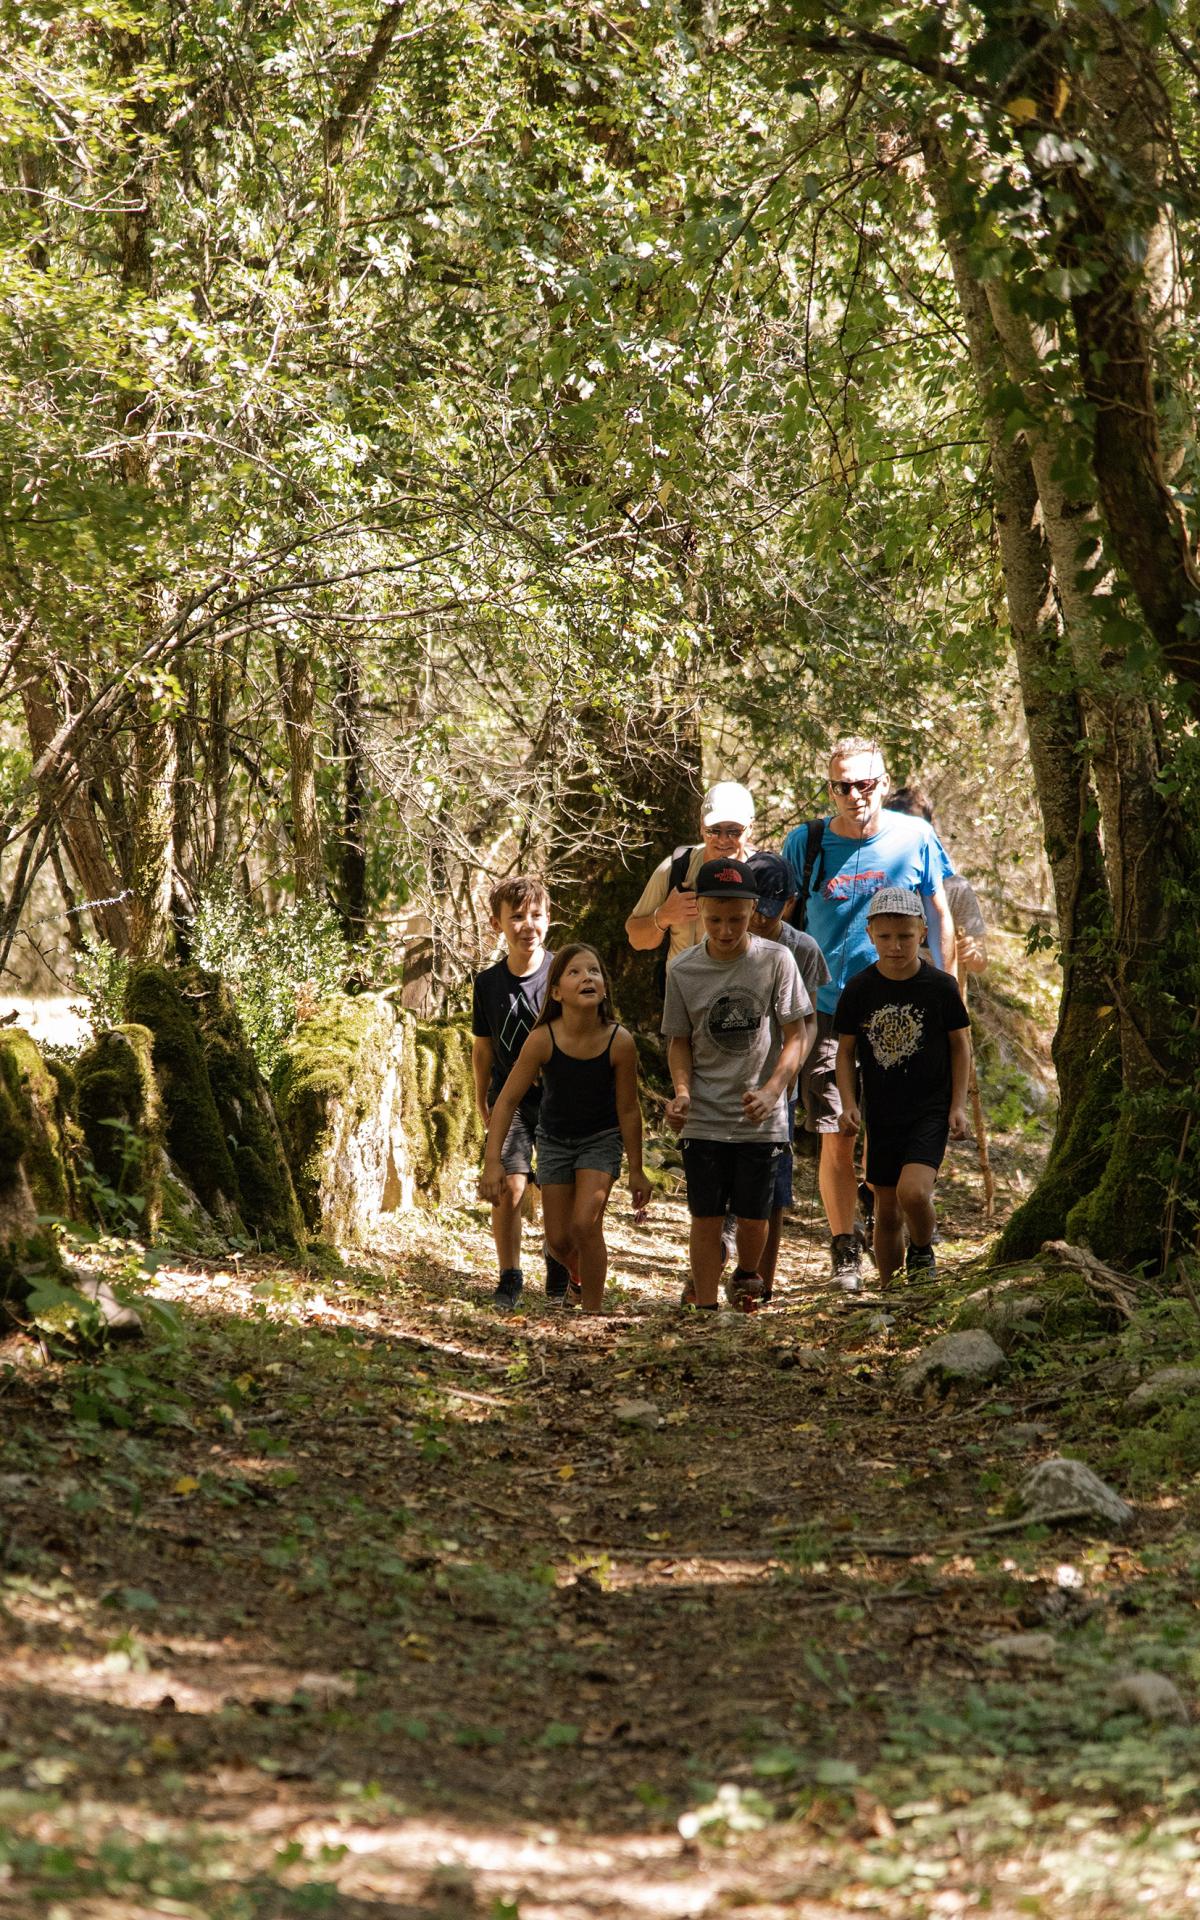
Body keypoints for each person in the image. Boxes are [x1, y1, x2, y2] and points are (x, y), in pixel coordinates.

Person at [781, 737, 956, 1295]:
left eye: (864, 783)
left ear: (883, 783)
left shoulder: (915, 837)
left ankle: (907, 1234)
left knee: (902, 1122)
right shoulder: (805, 844)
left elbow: (939, 912)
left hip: (910, 1009)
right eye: (841, 785)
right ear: (829, 786)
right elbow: (780, 921)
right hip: (830, 1010)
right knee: (836, 1132)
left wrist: (949, 991)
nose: (853, 795)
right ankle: (844, 1249)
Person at [662, 857, 811, 1310]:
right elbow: (678, 1041)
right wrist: (683, 1092)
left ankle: (747, 1272)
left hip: (759, 1118)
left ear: (753, 912)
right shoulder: (683, 970)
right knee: (705, 1218)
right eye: (715, 920)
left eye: (736, 919)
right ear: (701, 912)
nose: (725, 930)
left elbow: (798, 1034)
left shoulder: (776, 960)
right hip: (704, 1116)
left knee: (752, 1219)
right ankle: (706, 1306)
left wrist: (773, 1090)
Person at [480, 945, 650, 1313]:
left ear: (604, 988)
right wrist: (493, 1160)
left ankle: (592, 1312)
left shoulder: (620, 1041)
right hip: (554, 1140)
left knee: (584, 1225)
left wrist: (637, 1170)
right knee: (558, 1239)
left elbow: (628, 1109)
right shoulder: (543, 1039)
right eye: (575, 972)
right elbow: (507, 1100)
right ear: (556, 992)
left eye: (594, 971)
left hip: (601, 1140)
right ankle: (575, 1278)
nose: (587, 977)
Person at [834, 889, 971, 1285]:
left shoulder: (940, 987)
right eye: (886, 937)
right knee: (888, 1209)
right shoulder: (860, 989)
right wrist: (848, 1102)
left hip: (929, 1108)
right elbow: (844, 1053)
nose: (896, 946)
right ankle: (891, 1291)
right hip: (881, 1111)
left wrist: (957, 1105)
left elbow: (960, 1046)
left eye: (906, 937)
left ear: (922, 933)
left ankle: (923, 1251)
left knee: (913, 1193)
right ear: (870, 934)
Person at [471, 875, 569, 1311]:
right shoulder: (487, 984)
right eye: (516, 917)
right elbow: (483, 1046)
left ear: (549, 920)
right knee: (509, 1185)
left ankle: (558, 1260)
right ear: (497, 924)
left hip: (560, 1100)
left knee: (555, 1187)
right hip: (509, 1101)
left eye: (535, 915)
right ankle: (509, 1274)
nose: (527, 925)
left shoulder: (562, 974)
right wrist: (481, 1097)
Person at [745, 850, 831, 1301]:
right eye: (751, 904)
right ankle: (713, 1268)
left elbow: (812, 1015)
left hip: (782, 1084)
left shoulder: (802, 948)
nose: (758, 918)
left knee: (775, 1185)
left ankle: (764, 1281)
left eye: (768, 907)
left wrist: (793, 1066)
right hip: (729, 1078)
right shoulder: (726, 938)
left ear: (790, 903)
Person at [625, 780, 756, 973]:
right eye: (714, 830)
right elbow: (636, 939)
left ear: (750, 828)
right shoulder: (675, 870)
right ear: (701, 826)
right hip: (684, 998)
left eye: (733, 831)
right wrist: (663, 916)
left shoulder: (762, 874)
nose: (722, 839)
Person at [890, 785, 989, 979]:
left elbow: (980, 963)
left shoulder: (954, 887)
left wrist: (971, 952)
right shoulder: (876, 883)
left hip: (938, 996)